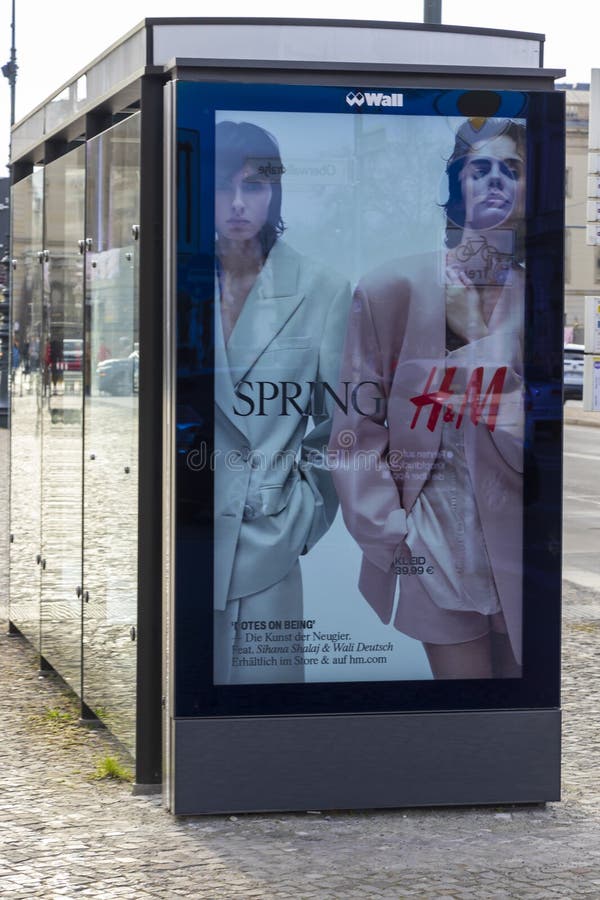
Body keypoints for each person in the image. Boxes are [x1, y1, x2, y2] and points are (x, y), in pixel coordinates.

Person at [330, 118, 525, 679]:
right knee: (465, 717)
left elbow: (534, 428)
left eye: (510, 169)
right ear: (455, 185)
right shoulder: (393, 288)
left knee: (517, 719)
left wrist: (480, 341)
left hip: (519, 547)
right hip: (434, 543)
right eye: (478, 168)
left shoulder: (538, 299)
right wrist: (392, 536)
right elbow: (355, 429)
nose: (495, 181)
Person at [213, 120, 351, 684]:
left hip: (264, 538)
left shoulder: (322, 288)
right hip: (183, 536)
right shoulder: (172, 281)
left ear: (276, 192)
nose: (240, 204)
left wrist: (302, 515)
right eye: (224, 187)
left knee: (262, 716)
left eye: (257, 186)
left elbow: (343, 423)